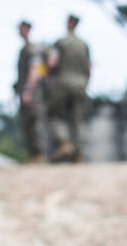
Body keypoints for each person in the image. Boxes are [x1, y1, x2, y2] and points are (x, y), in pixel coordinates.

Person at [46, 14, 91, 163]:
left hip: (62, 83)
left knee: (53, 115)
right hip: (80, 84)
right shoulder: (84, 45)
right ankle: (77, 154)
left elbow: (52, 62)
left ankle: (64, 143)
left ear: (68, 24)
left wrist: (48, 75)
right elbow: (88, 69)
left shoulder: (60, 43)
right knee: (77, 120)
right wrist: (85, 83)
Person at [14, 20, 48, 163]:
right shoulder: (26, 49)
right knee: (28, 122)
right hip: (28, 89)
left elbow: (37, 71)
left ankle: (38, 155)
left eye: (23, 29)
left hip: (32, 91)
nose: (20, 32)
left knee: (33, 121)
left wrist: (28, 89)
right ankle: (35, 155)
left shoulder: (31, 49)